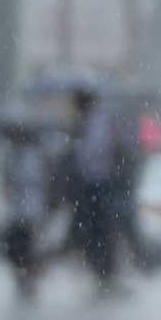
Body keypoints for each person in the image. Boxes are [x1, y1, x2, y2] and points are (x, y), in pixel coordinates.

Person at [60, 87, 125, 293]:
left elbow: (95, 152)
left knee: (100, 227)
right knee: (88, 227)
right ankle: (98, 268)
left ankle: (106, 271)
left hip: (99, 182)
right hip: (86, 184)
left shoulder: (98, 122)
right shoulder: (83, 122)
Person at [0, 119, 52, 301]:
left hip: (32, 208)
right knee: (15, 245)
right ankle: (21, 274)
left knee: (30, 245)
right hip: (17, 209)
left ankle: (30, 274)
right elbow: (7, 181)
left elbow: (44, 180)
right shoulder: (11, 155)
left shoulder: (35, 155)